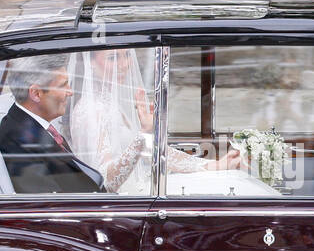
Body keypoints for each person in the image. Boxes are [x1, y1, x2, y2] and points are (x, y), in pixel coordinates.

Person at [65, 48, 240, 194]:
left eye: (126, 55)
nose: (124, 65)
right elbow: (105, 184)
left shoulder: (111, 101)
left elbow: (152, 151)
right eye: (113, 58)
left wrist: (213, 165)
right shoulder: (89, 111)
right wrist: (143, 134)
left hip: (141, 188)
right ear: (90, 64)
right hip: (125, 203)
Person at [0, 53, 104, 194]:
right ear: (36, 94)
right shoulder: (16, 144)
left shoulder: (33, 127)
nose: (70, 92)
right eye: (63, 85)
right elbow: (50, 206)